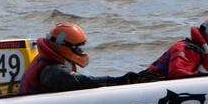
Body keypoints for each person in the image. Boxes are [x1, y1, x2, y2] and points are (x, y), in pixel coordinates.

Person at [18, 22, 148, 94]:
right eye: (77, 47)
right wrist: (119, 80)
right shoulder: (53, 71)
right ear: (62, 45)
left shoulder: (48, 59)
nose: (80, 51)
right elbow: (81, 82)